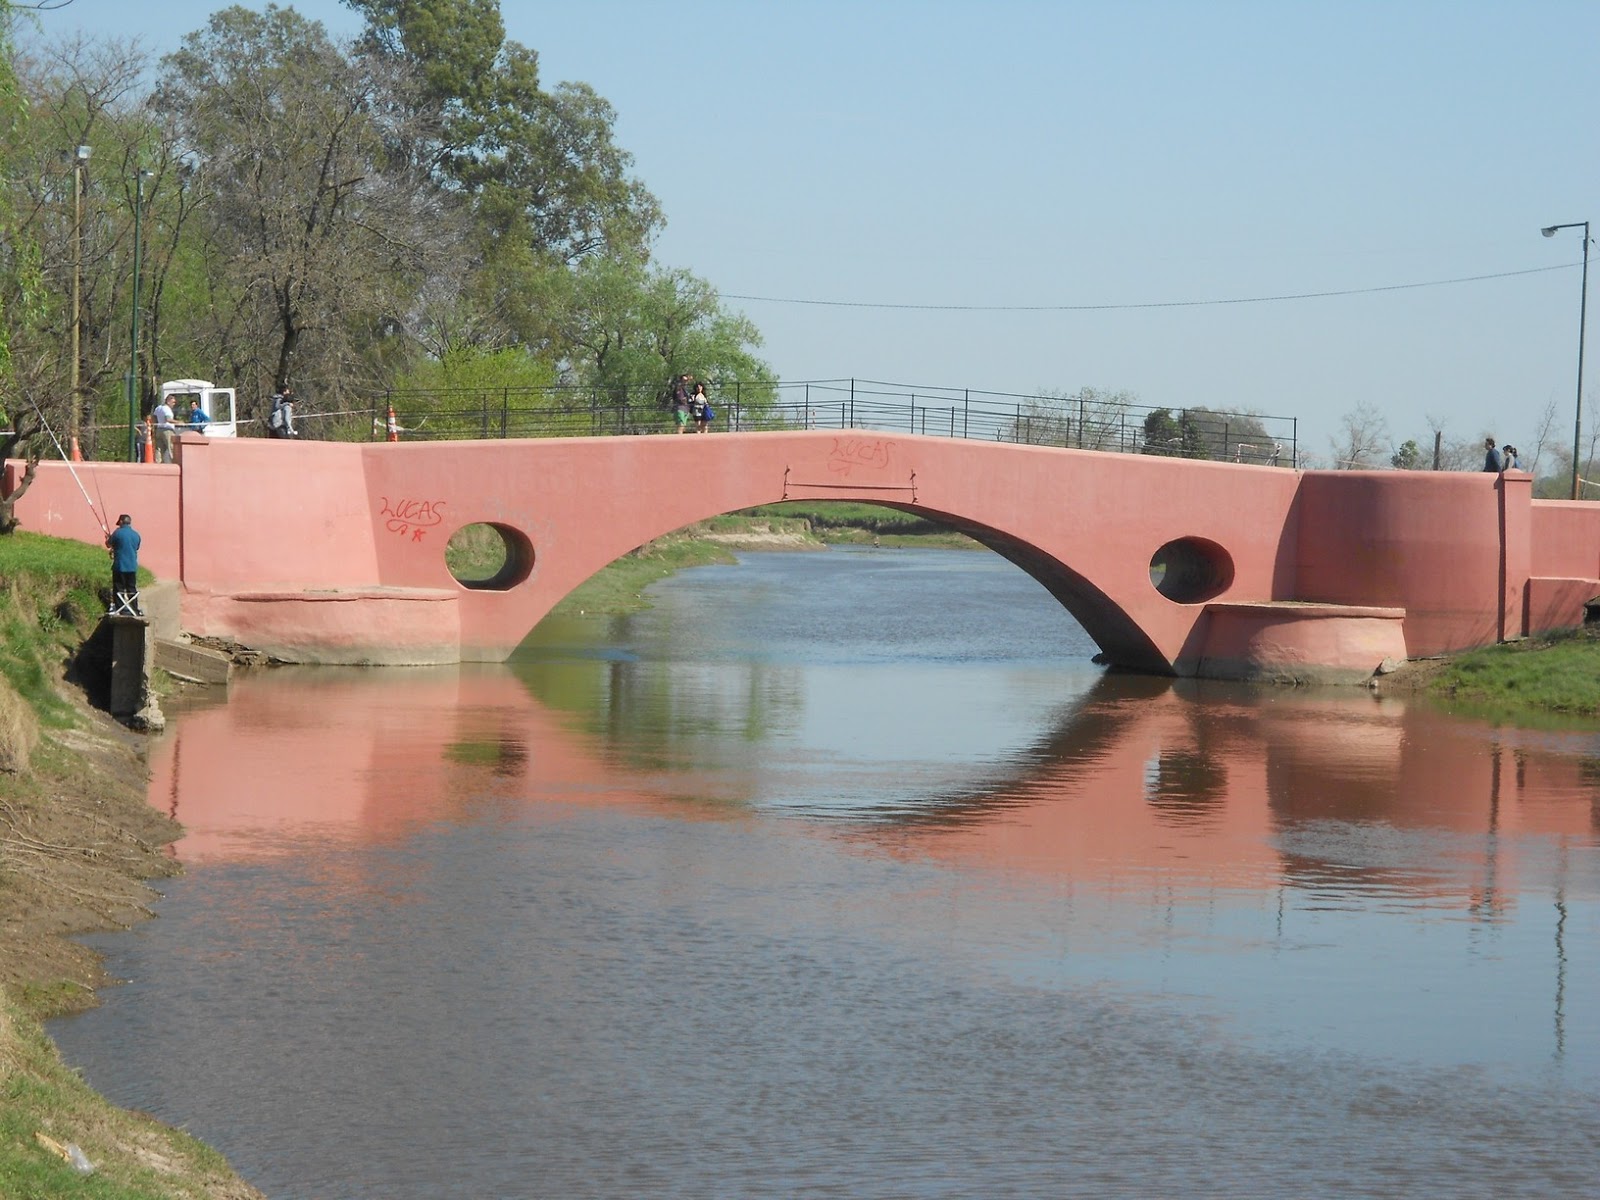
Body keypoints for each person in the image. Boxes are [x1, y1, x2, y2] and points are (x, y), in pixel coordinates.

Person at [105, 513, 142, 617]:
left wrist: (108, 539)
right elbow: (137, 547)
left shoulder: (117, 533)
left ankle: (120, 608)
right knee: (131, 589)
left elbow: (108, 544)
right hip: (132, 567)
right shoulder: (136, 535)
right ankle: (134, 608)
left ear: (121, 522)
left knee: (118, 589)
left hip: (119, 567)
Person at [152, 395, 177, 463]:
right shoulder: (167, 409)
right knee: (171, 447)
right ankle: (173, 463)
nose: (174, 404)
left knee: (159, 449)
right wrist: (179, 422)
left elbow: (153, 418)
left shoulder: (158, 408)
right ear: (168, 402)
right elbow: (168, 419)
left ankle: (158, 464)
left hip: (159, 429)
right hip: (167, 430)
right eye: (173, 402)